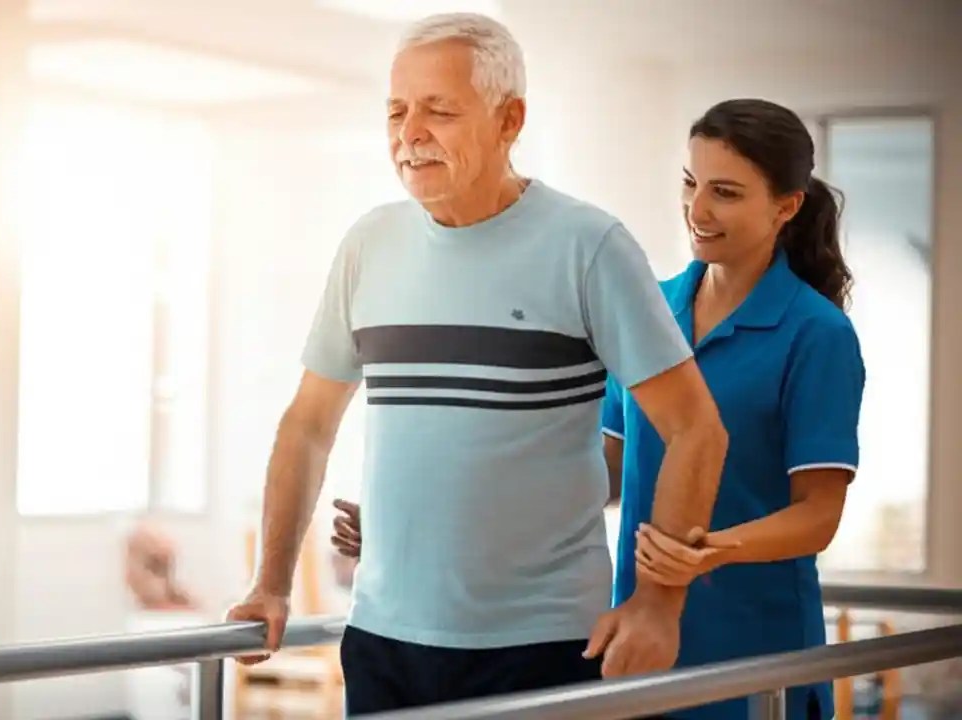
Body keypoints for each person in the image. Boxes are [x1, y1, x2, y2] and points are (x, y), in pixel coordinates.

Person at [226, 12, 729, 715]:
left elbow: (696, 430)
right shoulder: (368, 246)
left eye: (439, 110)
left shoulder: (589, 246)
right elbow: (309, 424)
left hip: (544, 645)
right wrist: (271, 583)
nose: (410, 134)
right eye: (397, 112)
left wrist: (656, 605)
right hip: (383, 643)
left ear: (509, 119)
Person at [333, 97, 866, 720]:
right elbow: (601, 470)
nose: (697, 210)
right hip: (631, 642)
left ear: (786, 205)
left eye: (725, 192)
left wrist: (711, 551)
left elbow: (818, 516)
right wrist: (426, 526)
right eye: (690, 183)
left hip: (755, 650)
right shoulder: (652, 306)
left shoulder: (816, 333)